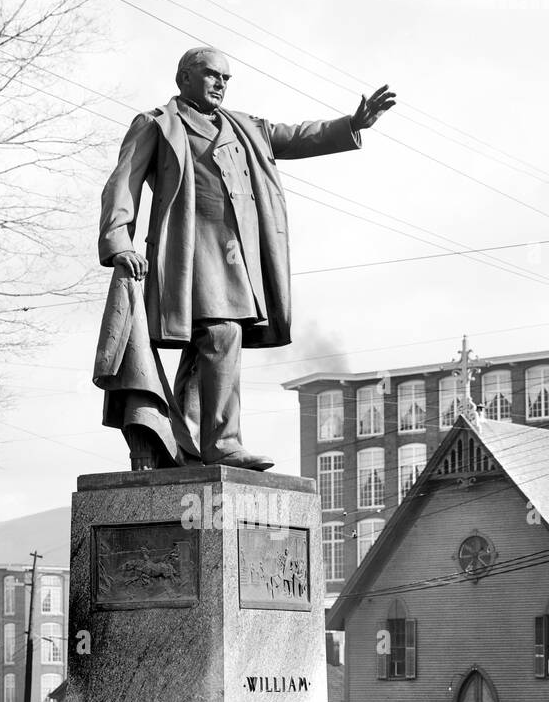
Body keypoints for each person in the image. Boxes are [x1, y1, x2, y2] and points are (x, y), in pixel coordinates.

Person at [97, 47, 395, 470]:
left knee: (210, 348)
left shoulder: (245, 128)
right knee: (221, 336)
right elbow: (122, 183)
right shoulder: (158, 125)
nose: (220, 83)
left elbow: (296, 136)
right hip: (188, 255)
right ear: (183, 78)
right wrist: (118, 242)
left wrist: (352, 124)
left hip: (237, 260)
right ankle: (223, 444)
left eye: (226, 77)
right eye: (210, 74)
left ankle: (180, 444)